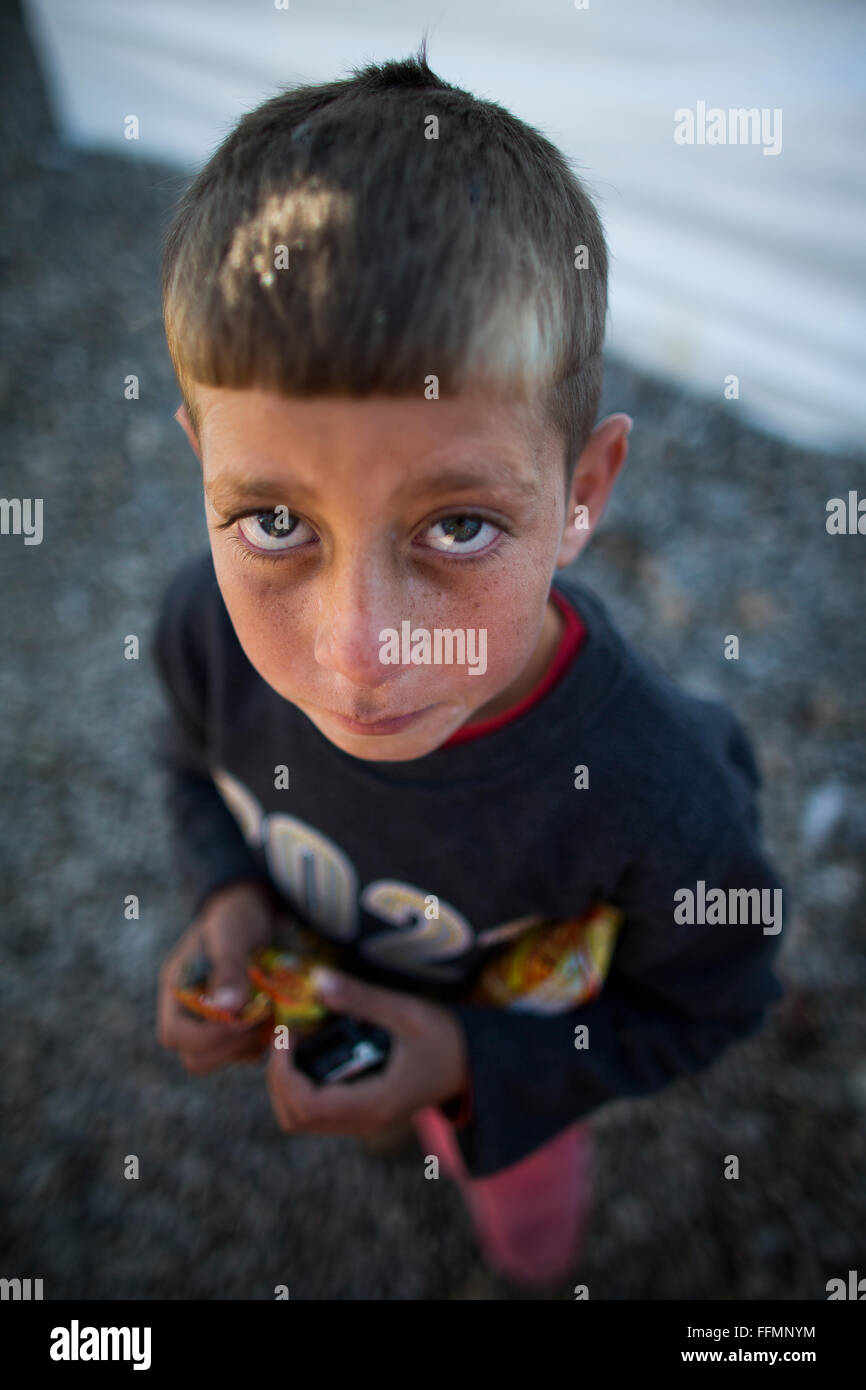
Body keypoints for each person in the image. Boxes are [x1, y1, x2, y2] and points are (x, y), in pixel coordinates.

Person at [152, 41, 785, 1290]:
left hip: (513, 1075)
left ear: (580, 491)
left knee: (522, 1207)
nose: (356, 652)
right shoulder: (200, 630)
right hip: (326, 1000)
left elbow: (709, 998)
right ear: (201, 466)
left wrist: (469, 1066)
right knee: (366, 1112)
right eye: (275, 522)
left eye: (456, 526)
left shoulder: (658, 788)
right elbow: (188, 760)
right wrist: (227, 903)